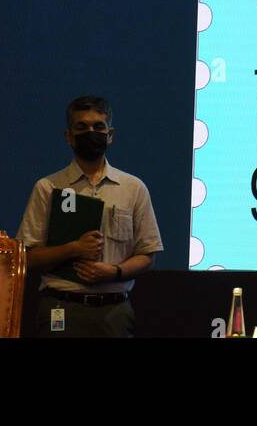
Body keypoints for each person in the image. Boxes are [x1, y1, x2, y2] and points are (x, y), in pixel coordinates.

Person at [17, 95, 162, 337]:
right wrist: (73, 249)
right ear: (69, 137)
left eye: (98, 127)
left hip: (114, 311)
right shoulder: (48, 187)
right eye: (81, 127)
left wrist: (114, 272)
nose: (90, 133)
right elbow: (27, 258)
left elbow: (148, 254)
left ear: (110, 134)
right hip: (61, 307)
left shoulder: (133, 188)